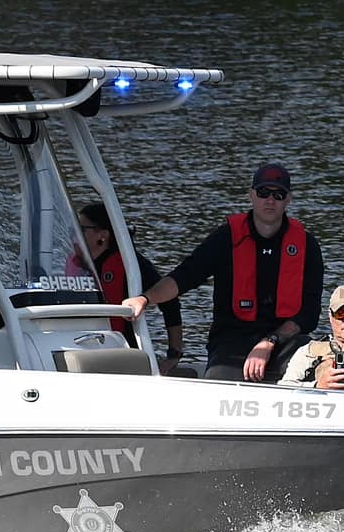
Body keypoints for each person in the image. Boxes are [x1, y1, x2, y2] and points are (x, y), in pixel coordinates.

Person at [121, 161, 324, 381]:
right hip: (231, 343)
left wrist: (269, 342)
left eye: (279, 195)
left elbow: (309, 314)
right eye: (264, 192)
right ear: (252, 195)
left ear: (288, 200)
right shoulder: (226, 238)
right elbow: (185, 276)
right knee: (218, 378)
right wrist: (145, 298)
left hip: (283, 342)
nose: (270, 200)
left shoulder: (306, 246)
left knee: (315, 367)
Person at [74, 202, 185, 369]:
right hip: (81, 345)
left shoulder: (132, 266)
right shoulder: (77, 266)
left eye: (81, 229)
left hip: (122, 350)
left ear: (102, 235)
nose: (74, 234)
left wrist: (174, 354)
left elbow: (170, 303)